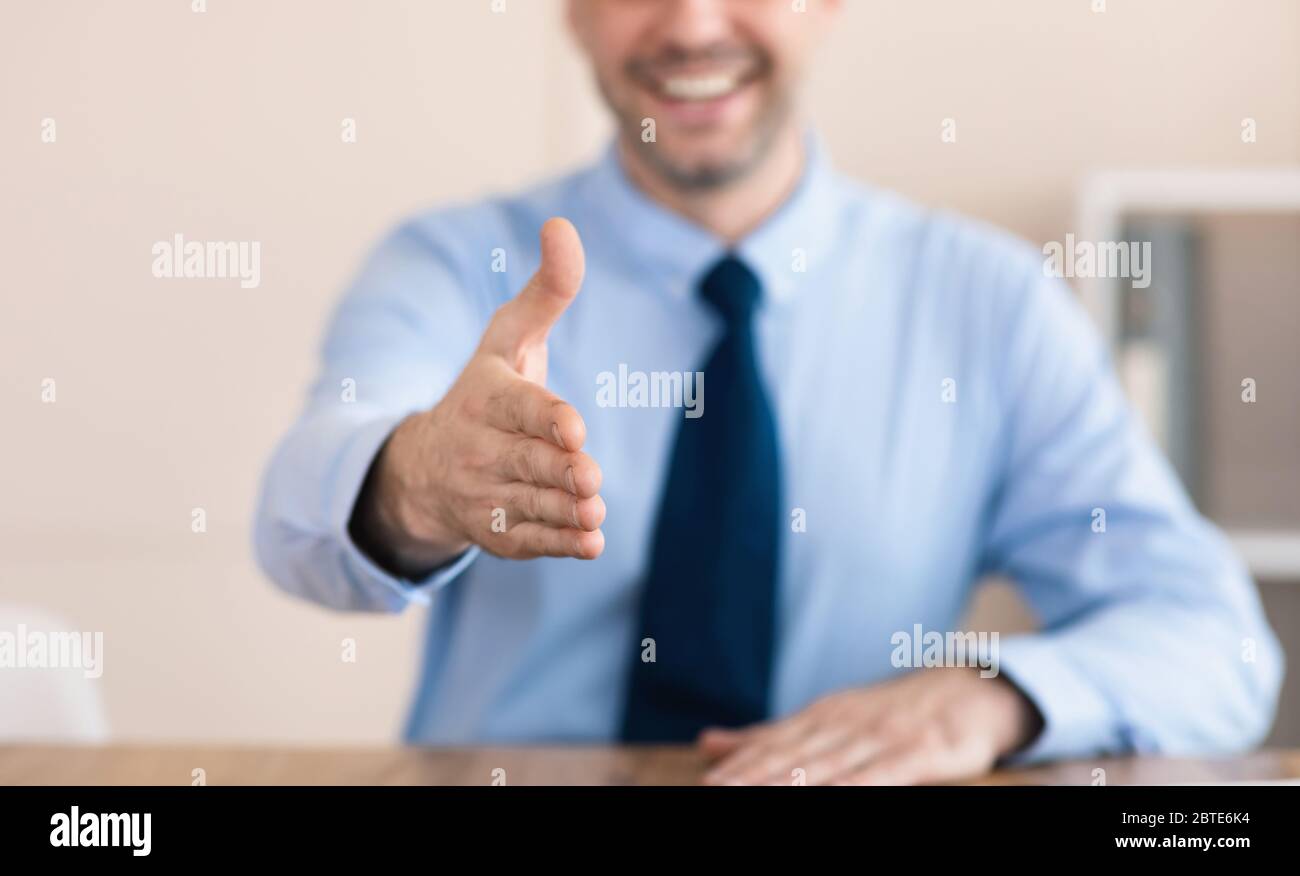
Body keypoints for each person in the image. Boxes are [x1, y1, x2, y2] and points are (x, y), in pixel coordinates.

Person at [253, 0, 1282, 785]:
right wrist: (420, 480)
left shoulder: (990, 305)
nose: (693, 26)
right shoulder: (451, 264)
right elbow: (294, 521)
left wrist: (996, 696)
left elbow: (1216, 643)